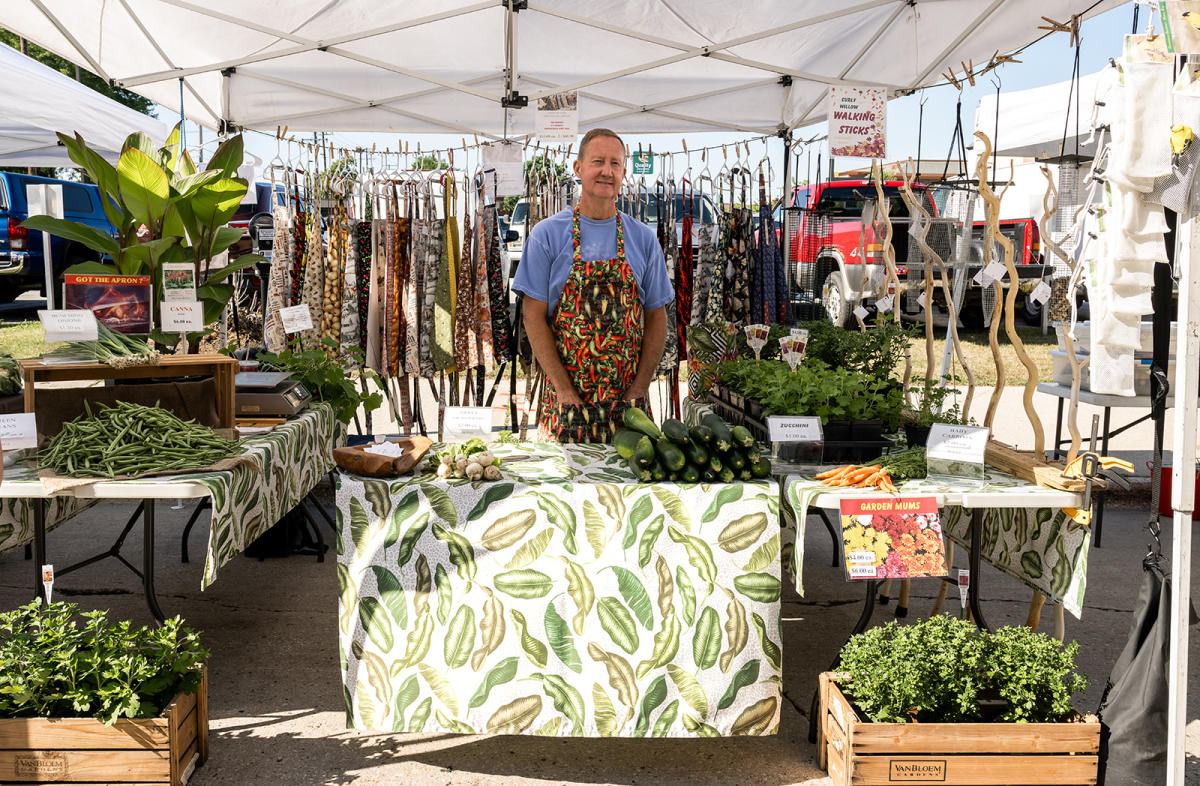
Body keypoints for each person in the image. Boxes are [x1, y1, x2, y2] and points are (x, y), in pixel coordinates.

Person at [512, 128, 673, 443]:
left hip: (629, 406)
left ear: (624, 173)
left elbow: (657, 316)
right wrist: (563, 388)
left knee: (631, 490)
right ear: (578, 168)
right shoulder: (547, 235)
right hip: (566, 402)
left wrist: (640, 389)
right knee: (561, 489)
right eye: (597, 161)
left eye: (615, 163)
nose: (606, 171)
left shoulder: (643, 238)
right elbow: (533, 318)